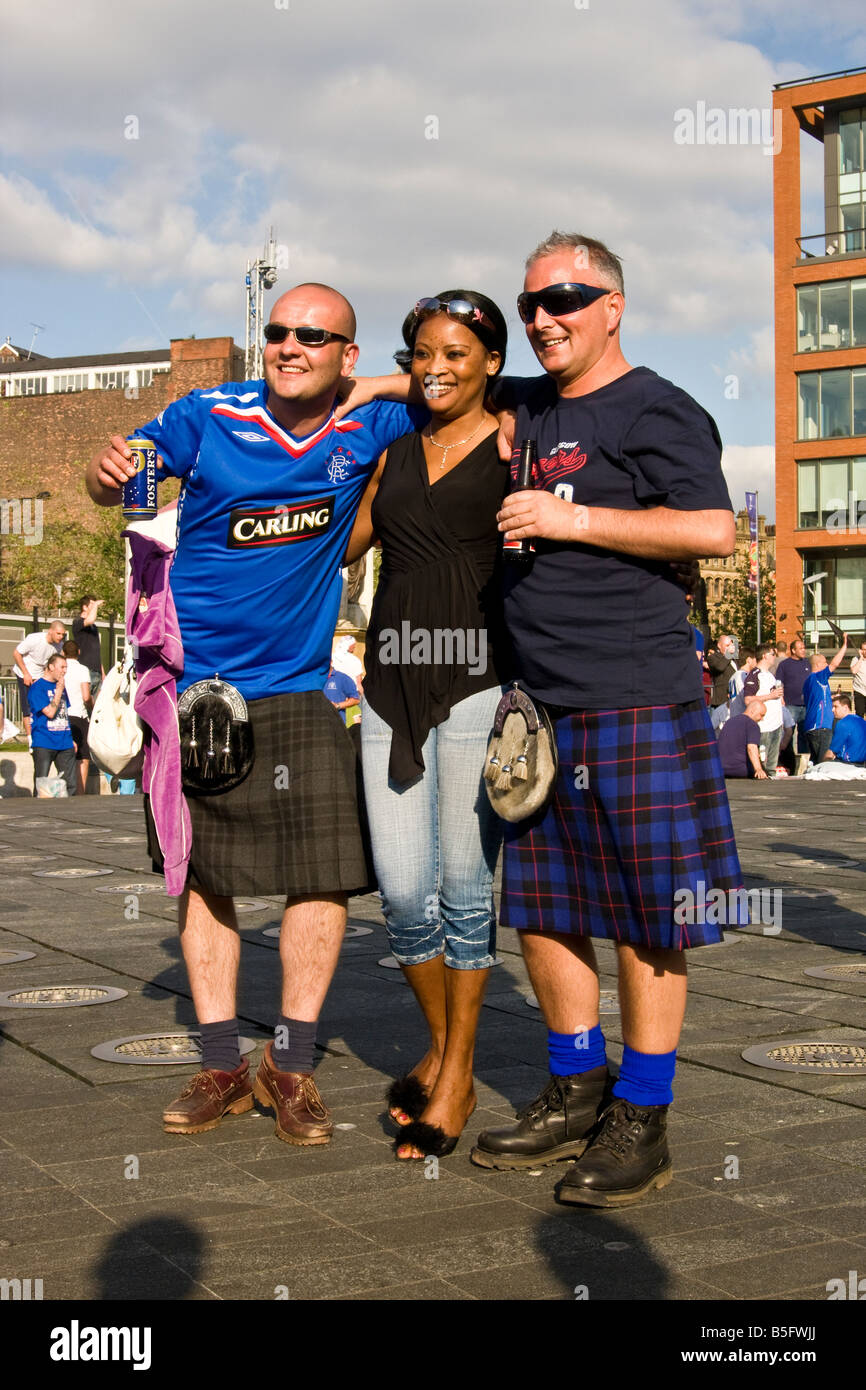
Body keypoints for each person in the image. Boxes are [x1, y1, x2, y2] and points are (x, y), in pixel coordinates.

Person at [86, 282, 426, 1145]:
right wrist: (105, 473)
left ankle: (293, 1064)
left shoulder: (369, 425)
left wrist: (381, 388)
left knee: (322, 873)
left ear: (348, 355)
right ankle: (217, 1063)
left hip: (300, 683)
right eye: (278, 332)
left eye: (314, 335)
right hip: (197, 687)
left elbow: (462, 388)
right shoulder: (207, 414)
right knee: (204, 875)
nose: (289, 345)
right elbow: (123, 478)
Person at [466, 230, 741, 1208]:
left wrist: (571, 517)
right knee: (540, 907)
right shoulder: (529, 405)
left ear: (612, 306)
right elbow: (425, 378)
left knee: (645, 913)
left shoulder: (657, 407)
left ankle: (643, 1112)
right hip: (536, 705)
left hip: (636, 695)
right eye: (532, 303)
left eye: (567, 299)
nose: (545, 318)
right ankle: (575, 1085)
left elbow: (713, 528)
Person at [345, 289, 511, 1160]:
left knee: (464, 887)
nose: (438, 366)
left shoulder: (518, 443)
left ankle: (455, 1080)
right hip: (388, 684)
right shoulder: (396, 453)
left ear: (491, 361)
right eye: (423, 353)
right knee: (404, 893)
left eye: (457, 352)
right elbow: (345, 547)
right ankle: (449, 1051)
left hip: (478, 680)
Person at [29, 653, 76, 795]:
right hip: (44, 741)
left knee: (70, 785)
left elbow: (64, 713)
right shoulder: (38, 688)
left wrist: (70, 737)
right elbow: (49, 712)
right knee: (41, 783)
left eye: (66, 667)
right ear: (50, 667)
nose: (64, 671)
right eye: (61, 667)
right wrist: (58, 691)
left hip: (64, 741)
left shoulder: (60, 686)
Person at [13, 620, 66, 739]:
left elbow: (57, 662)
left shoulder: (59, 646)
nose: (61, 637)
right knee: (27, 707)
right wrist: (26, 674)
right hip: (25, 673)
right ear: (50, 631)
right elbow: (16, 653)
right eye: (58, 634)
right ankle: (30, 738)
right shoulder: (35, 639)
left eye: (63, 634)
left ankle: (42, 732)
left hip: (40, 675)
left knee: (44, 704)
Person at [803, 637, 849, 766]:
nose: (826, 664)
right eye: (824, 662)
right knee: (824, 764)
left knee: (816, 763)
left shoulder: (809, 681)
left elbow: (817, 700)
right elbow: (834, 664)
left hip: (812, 727)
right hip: (821, 727)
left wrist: (832, 699)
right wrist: (844, 645)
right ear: (818, 665)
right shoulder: (819, 677)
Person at [742, 644, 784, 775]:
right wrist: (770, 696)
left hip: (776, 724)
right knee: (763, 763)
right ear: (765, 656)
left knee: (772, 764)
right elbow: (748, 700)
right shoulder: (754, 675)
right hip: (764, 725)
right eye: (773, 654)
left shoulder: (770, 675)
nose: (774, 657)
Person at [61, 640, 92, 795]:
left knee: (65, 756)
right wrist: (92, 708)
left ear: (63, 653)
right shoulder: (82, 670)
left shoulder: (61, 669)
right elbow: (86, 696)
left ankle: (66, 790)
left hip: (63, 715)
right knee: (83, 757)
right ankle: (80, 792)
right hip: (79, 715)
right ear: (79, 652)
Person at [775, 637, 811, 762]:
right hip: (790, 704)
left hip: (806, 705)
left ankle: (804, 760)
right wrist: (781, 698)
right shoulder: (784, 664)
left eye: (804, 648)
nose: (803, 650)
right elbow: (779, 682)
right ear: (793, 650)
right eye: (800, 648)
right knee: (788, 733)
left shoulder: (807, 663)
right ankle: (787, 760)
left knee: (805, 734)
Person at [717, 700, 768, 779]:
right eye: (761, 715)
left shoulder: (729, 721)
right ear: (752, 711)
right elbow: (752, 747)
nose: (762, 719)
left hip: (721, 769)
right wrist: (758, 769)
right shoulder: (752, 725)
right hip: (741, 770)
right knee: (765, 772)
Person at [72, 596, 105, 700]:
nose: (95, 607)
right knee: (85, 701)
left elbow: (96, 651)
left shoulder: (94, 627)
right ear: (84, 607)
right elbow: (90, 620)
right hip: (86, 670)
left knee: (95, 707)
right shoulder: (78, 622)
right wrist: (96, 604)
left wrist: (102, 672)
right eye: (91, 604)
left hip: (97, 672)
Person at [825, 692, 866, 765]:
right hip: (862, 764)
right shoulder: (862, 721)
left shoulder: (843, 723)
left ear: (845, 708)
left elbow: (831, 753)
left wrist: (821, 763)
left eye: (836, 706)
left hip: (846, 765)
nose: (832, 710)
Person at [706, 635, 738, 729]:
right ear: (719, 645)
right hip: (721, 699)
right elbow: (719, 667)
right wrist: (728, 654)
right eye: (727, 645)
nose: (730, 648)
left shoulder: (733, 659)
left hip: (734, 699)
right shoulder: (713, 657)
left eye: (731, 645)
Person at [727, 647, 757, 718]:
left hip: (734, 715)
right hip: (742, 715)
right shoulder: (744, 676)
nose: (757, 662)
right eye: (755, 659)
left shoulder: (733, 676)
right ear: (749, 660)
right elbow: (746, 697)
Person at [851, 639, 866, 718]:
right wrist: (860, 659)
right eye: (863, 649)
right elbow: (854, 671)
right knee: (859, 715)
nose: (865, 651)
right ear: (860, 650)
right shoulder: (855, 659)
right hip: (859, 692)